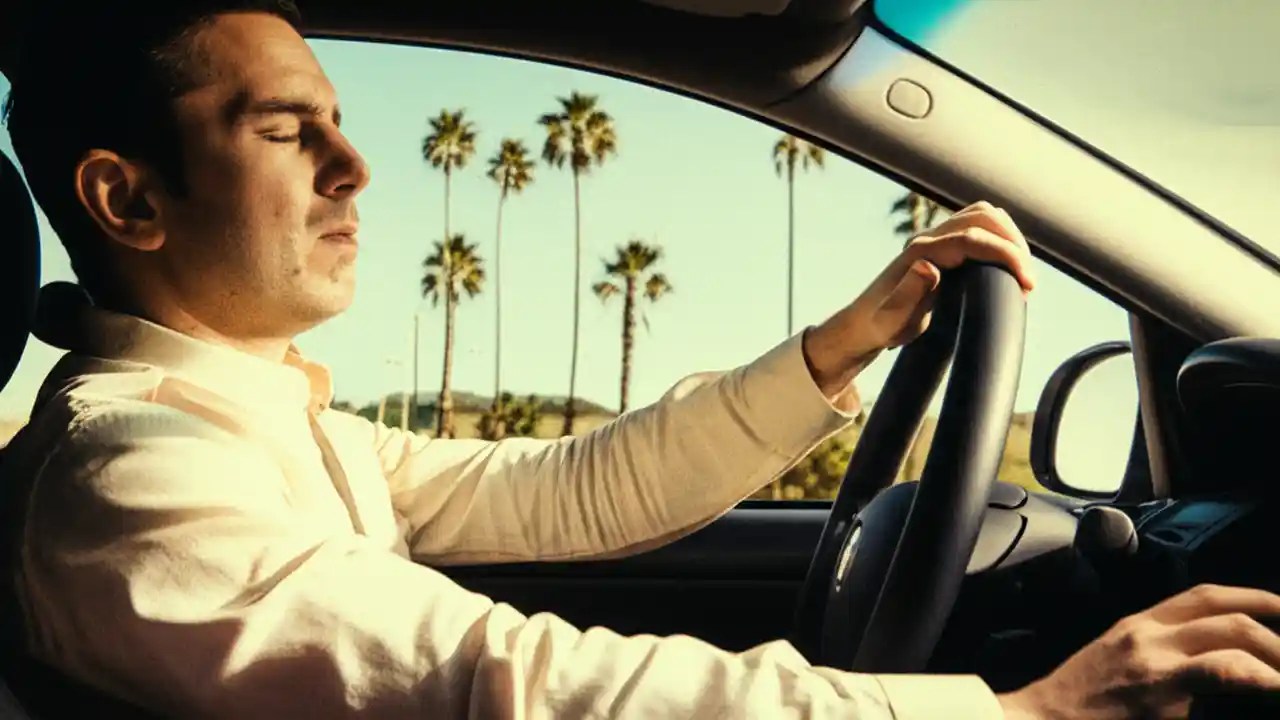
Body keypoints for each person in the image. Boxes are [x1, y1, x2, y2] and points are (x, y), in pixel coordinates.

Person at [3, 2, 1280, 718]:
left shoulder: (262, 419)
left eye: (338, 123)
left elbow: (565, 488)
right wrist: (1012, 717)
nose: (354, 168)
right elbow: (496, 682)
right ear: (127, 200)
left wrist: (836, 348)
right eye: (287, 132)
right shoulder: (134, 483)